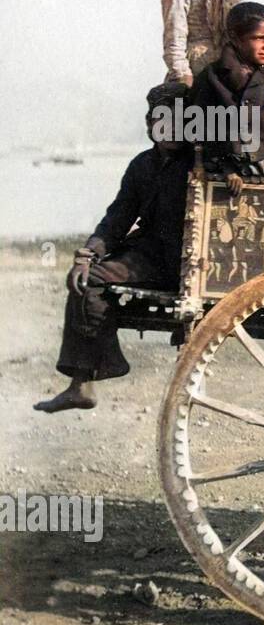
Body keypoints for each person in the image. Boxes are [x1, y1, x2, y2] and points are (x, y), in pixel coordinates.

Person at [34, 83, 194, 413]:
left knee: (92, 279)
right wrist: (87, 254)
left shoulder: (200, 164)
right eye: (160, 121)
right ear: (150, 125)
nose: (168, 130)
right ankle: (82, 385)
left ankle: (91, 376)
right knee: (85, 278)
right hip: (149, 256)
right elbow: (117, 218)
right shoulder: (142, 165)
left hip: (188, 260)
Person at [187, 1, 264, 193]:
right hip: (219, 172)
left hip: (263, 167)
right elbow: (201, 130)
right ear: (235, 38)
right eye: (258, 38)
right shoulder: (211, 77)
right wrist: (226, 169)